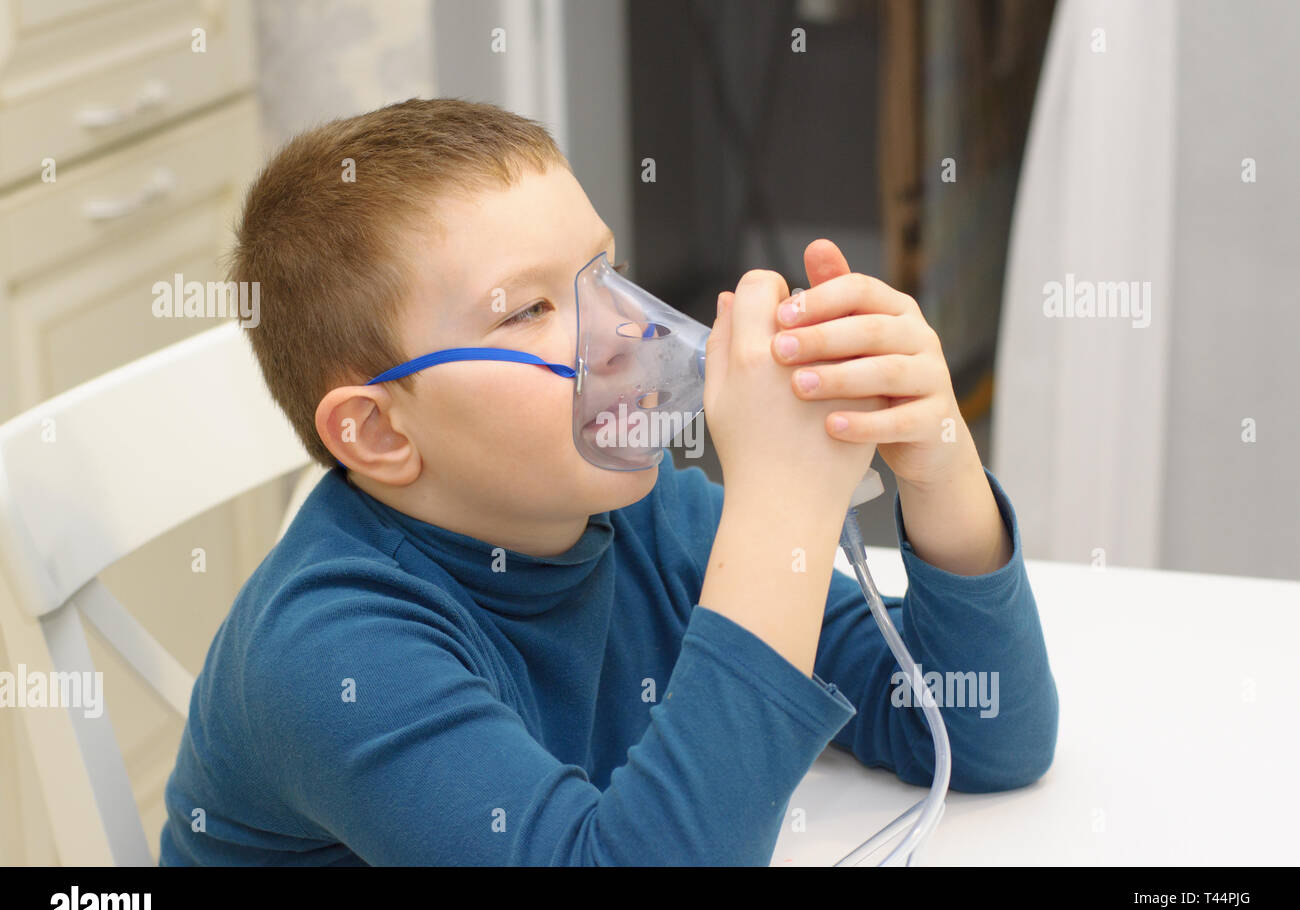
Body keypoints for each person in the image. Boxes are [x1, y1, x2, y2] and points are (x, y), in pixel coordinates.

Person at [160, 97, 1057, 865]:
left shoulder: (646, 515)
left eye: (605, 272)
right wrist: (781, 513)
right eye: (530, 308)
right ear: (380, 431)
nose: (626, 329)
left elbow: (978, 733)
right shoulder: (331, 655)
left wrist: (939, 462)